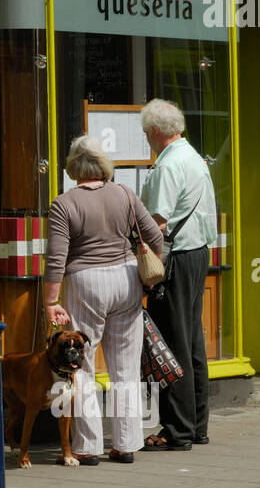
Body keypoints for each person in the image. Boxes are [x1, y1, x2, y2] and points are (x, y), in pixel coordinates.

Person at [44, 135, 164, 465]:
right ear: (103, 164)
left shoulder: (64, 203)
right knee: (125, 366)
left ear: (73, 165)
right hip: (127, 278)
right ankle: (126, 444)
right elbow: (155, 238)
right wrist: (150, 275)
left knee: (80, 365)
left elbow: (56, 257)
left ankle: (88, 446)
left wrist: (52, 301)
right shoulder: (125, 193)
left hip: (86, 281)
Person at [138, 98, 217, 452]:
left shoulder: (168, 165)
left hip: (175, 260)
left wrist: (144, 265)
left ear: (155, 131)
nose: (146, 140)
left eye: (146, 133)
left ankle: (176, 430)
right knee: (192, 343)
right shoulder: (195, 159)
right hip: (197, 255)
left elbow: (157, 223)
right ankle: (197, 425)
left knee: (171, 344)